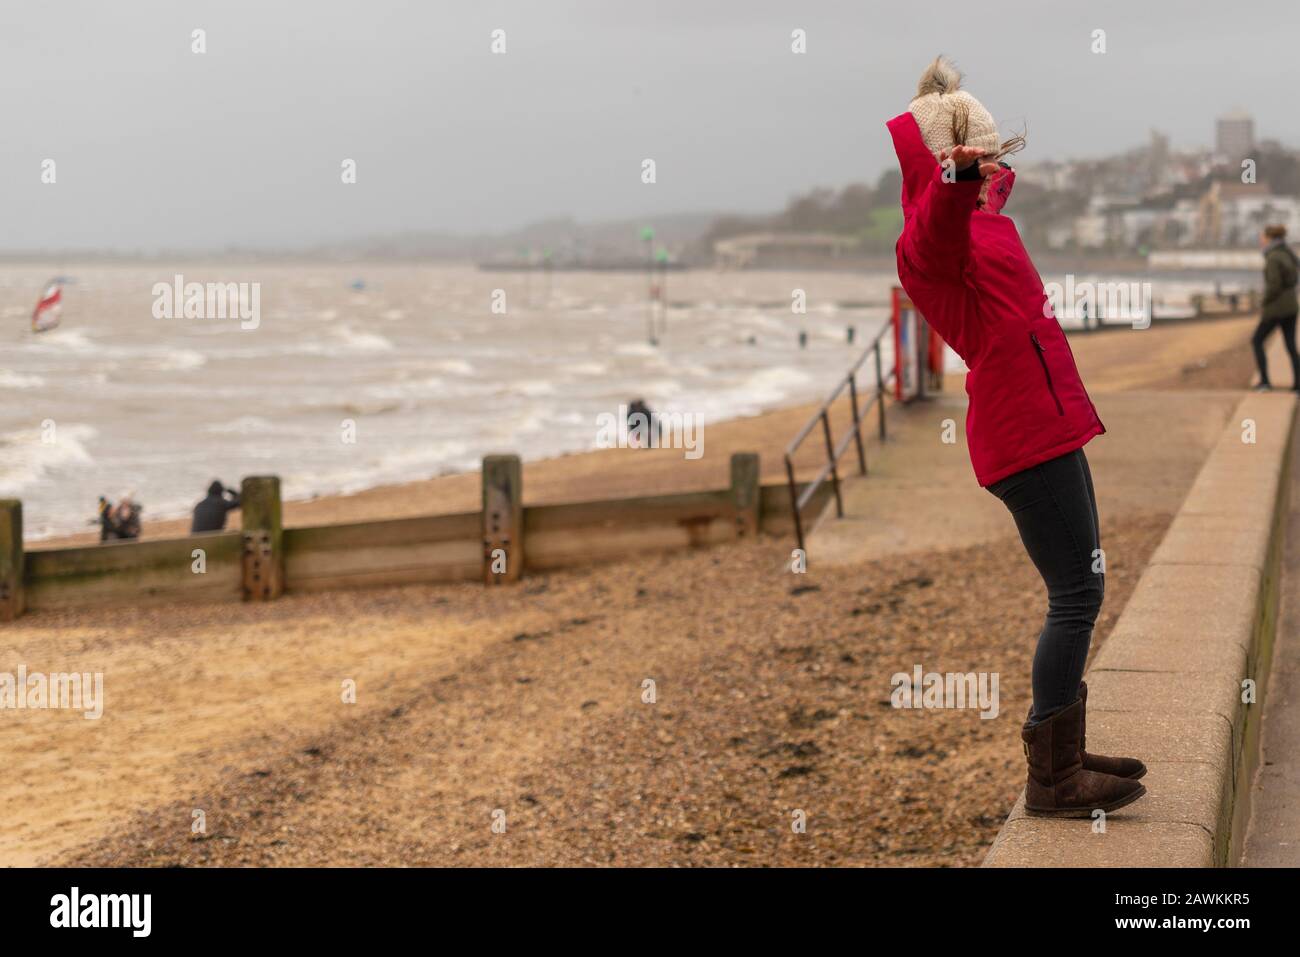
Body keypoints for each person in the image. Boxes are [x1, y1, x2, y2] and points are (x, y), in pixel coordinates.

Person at [887, 56, 1146, 817]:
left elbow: (982, 193)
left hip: (1049, 418)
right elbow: (940, 226)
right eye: (974, 162)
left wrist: (975, 152)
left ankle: (1065, 749)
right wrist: (955, 178)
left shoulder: (987, 216)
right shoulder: (925, 240)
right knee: (1076, 593)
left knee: (1083, 584)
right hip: (1022, 432)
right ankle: (1053, 778)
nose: (990, 170)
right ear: (941, 170)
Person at [1251, 224, 1300, 391]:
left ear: (1269, 238)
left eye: (1262, 236)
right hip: (1292, 306)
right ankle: (1298, 384)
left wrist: (1263, 301)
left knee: (1257, 340)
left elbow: (1274, 285)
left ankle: (1265, 381)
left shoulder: (1273, 257)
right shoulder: (1287, 253)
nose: (1260, 239)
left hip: (1276, 308)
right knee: (1291, 346)